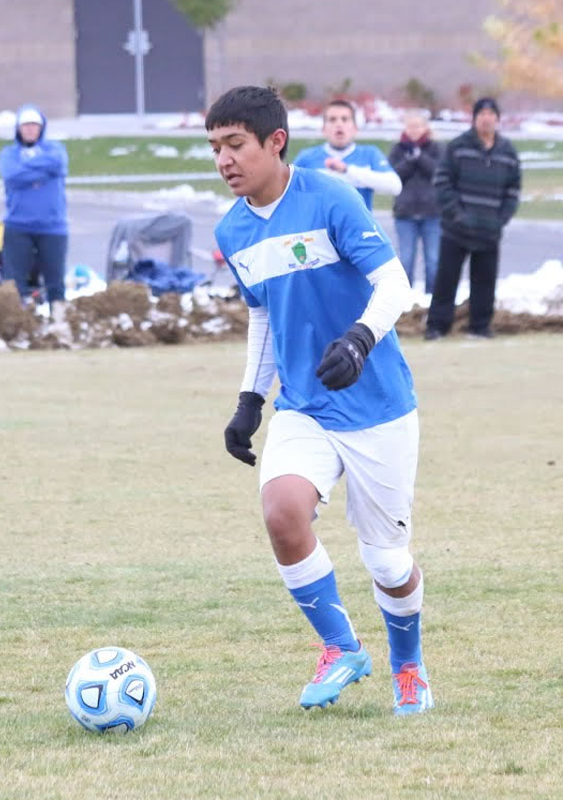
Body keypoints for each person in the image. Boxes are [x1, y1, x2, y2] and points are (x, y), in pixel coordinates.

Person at [208, 86, 431, 715]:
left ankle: (407, 664)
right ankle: (342, 648)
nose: (224, 160)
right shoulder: (232, 228)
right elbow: (263, 317)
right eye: (215, 148)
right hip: (304, 405)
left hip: (379, 406)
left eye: (236, 145)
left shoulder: (331, 198)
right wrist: (251, 401)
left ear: (275, 142)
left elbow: (395, 283)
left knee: (388, 562)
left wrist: (359, 341)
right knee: (282, 511)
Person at [425, 98, 521, 340]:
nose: (486, 118)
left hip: (490, 230)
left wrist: (501, 218)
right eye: (482, 114)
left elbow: (513, 189)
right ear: (475, 118)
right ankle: (437, 327)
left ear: (498, 119)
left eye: (491, 114)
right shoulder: (458, 146)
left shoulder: (508, 151)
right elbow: (442, 183)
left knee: (485, 282)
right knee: (446, 280)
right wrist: (457, 215)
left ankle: (480, 327)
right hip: (456, 229)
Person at [0, 105, 69, 320]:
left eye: (34, 125)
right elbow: (11, 175)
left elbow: (58, 165)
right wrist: (41, 173)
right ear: (18, 128)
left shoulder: (55, 149)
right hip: (18, 226)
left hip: (53, 227)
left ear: (42, 128)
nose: (30, 130)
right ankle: (18, 321)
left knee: (55, 280)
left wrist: (27, 165)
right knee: (14, 281)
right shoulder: (9, 154)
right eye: (26, 125)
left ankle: (59, 321)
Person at [292, 99, 401, 211]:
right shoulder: (307, 157)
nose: (339, 124)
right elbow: (286, 193)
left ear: (355, 128)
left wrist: (347, 170)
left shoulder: (369, 154)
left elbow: (395, 187)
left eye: (345, 119)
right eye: (332, 119)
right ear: (324, 129)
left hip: (359, 228)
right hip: (320, 228)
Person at [388, 111, 443, 293]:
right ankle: (404, 301)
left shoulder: (436, 148)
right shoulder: (398, 150)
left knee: (433, 260)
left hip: (432, 213)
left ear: (426, 128)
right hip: (405, 213)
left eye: (418, 126)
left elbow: (439, 172)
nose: (414, 130)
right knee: (405, 260)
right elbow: (392, 176)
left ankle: (431, 298)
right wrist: (409, 161)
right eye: (410, 126)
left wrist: (420, 157)